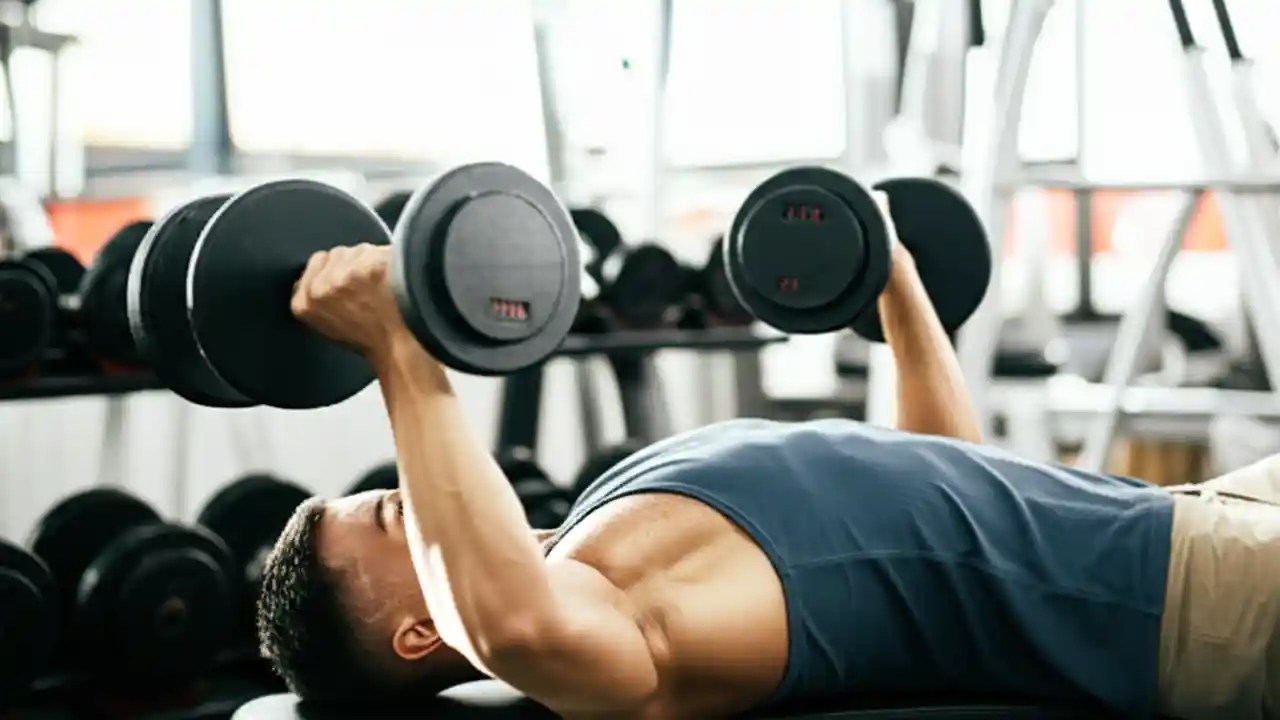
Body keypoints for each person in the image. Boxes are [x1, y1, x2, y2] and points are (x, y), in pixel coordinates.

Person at [256, 199, 1280, 720]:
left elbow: (943, 477)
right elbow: (511, 619)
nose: (411, 496)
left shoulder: (613, 511)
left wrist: (892, 279)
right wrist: (397, 352)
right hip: (1200, 602)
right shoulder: (606, 637)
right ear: (421, 631)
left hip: (1203, 514)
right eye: (393, 517)